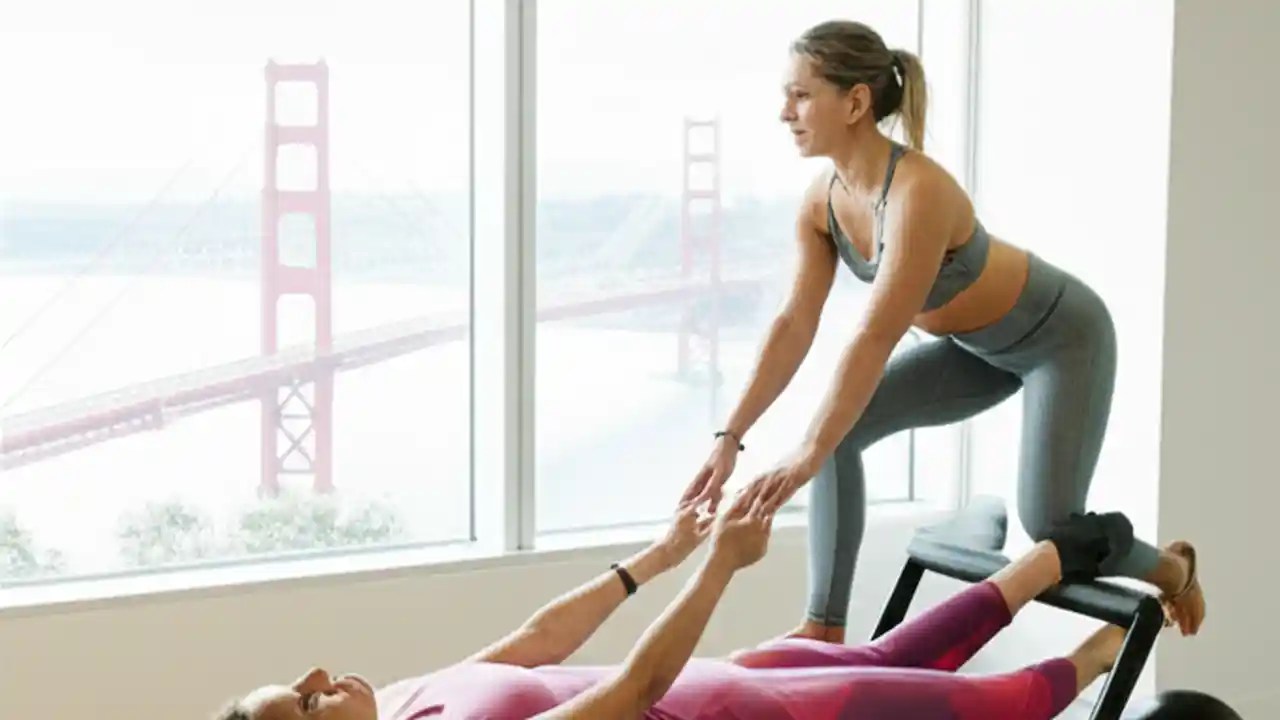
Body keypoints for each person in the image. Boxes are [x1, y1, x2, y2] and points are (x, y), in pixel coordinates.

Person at [678, 19, 1205, 643]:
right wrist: (730, 436)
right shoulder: (821, 203)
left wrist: (806, 453)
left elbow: (874, 335)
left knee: (1049, 525)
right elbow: (793, 324)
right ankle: (823, 627)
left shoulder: (918, 192)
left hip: (1063, 341)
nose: (783, 112)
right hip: (976, 350)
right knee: (836, 436)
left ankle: (1171, 567)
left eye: (800, 95)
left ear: (854, 102)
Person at [212, 496, 1173, 720]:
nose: (314, 680)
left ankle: (1060, 561)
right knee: (983, 710)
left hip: (732, 679)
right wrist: (717, 568)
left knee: (888, 654)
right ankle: (1095, 655)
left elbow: (539, 643)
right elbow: (637, 686)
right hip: (741, 714)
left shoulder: (412, 698)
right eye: (301, 708)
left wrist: (656, 559)